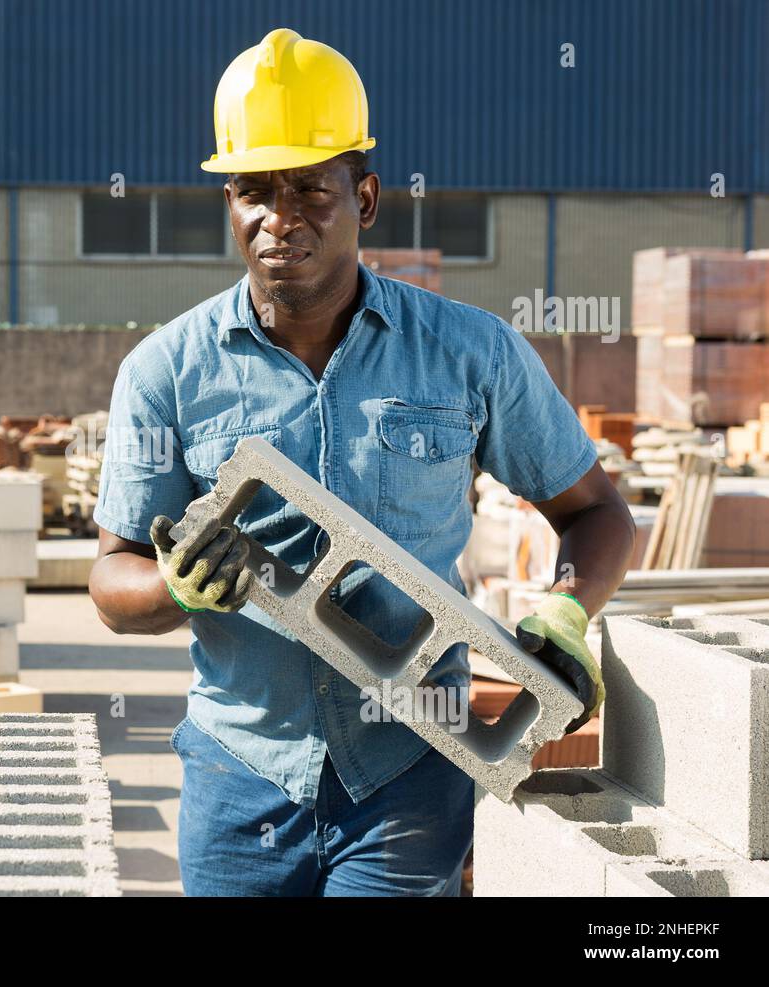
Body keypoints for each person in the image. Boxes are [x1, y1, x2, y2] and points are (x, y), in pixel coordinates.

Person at [88, 29, 635, 896]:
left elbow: (596, 510)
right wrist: (178, 584)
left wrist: (567, 612)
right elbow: (112, 579)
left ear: (367, 196)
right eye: (255, 193)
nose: (282, 219)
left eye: (312, 189)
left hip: (410, 776)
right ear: (228, 203)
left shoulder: (468, 352)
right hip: (242, 779)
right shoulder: (166, 370)